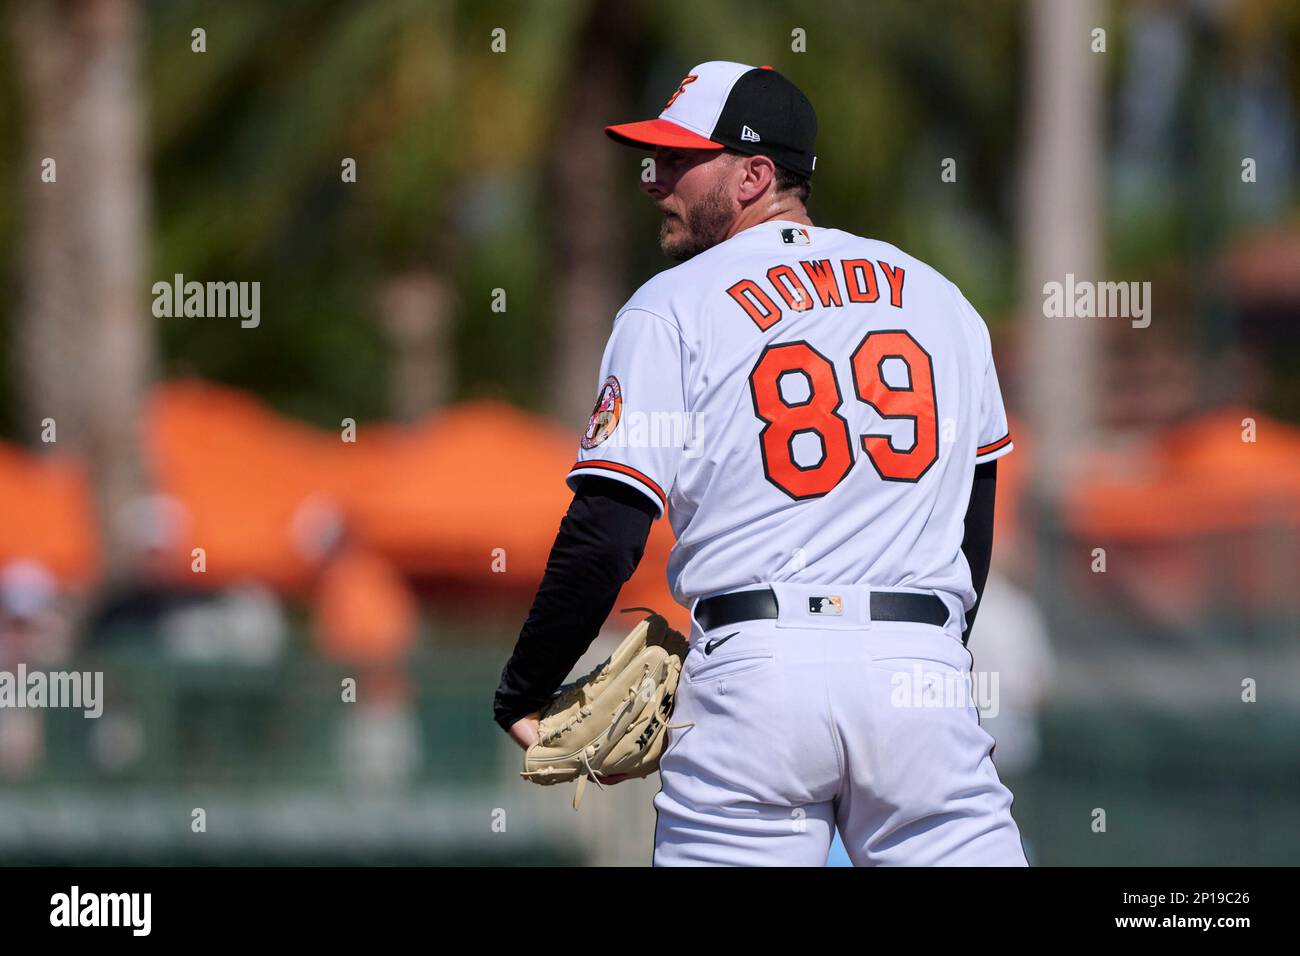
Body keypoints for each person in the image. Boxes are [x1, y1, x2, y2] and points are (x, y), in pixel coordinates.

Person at [494, 61, 1026, 866]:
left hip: (758, 673)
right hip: (921, 677)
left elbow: (608, 527)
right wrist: (933, 653)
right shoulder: (941, 298)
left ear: (755, 176)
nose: (653, 179)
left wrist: (527, 686)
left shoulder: (671, 305)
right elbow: (974, 521)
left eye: (678, 158)